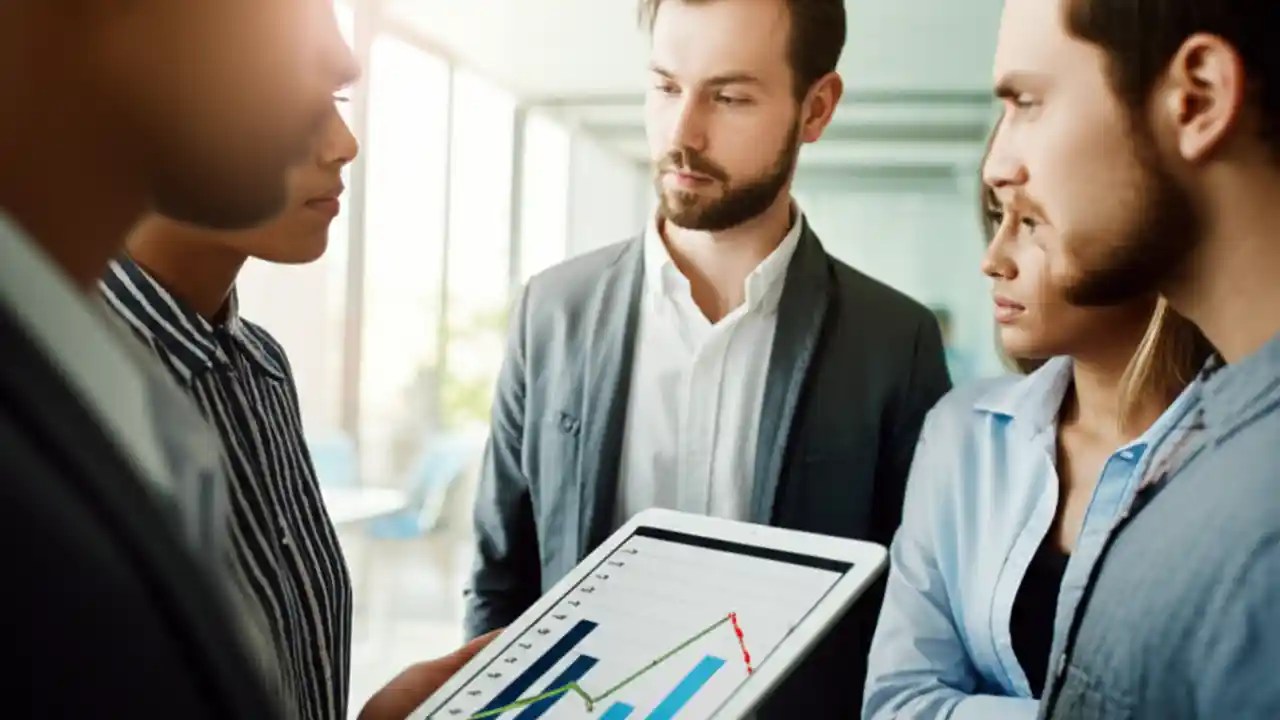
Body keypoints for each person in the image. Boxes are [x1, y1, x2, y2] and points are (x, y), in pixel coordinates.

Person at [465, 0, 951, 715]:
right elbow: (500, 580)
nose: (682, 132)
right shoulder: (552, 314)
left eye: (728, 97)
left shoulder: (893, 343)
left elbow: (912, 624)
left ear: (816, 110)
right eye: (665, 87)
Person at [0, 0, 485, 717]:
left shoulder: (259, 367)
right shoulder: (57, 397)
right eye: (288, 67)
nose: (346, 142)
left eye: (337, 101)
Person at [984, 1, 1280, 717]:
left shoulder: (1258, 538)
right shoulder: (1211, 443)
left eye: (1027, 101)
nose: (997, 165)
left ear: (1197, 99)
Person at [862, 158, 1210, 719]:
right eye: (998, 217)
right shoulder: (964, 432)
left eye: (1032, 226)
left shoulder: (1242, 458)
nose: (993, 260)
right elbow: (897, 704)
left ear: (1146, 238)